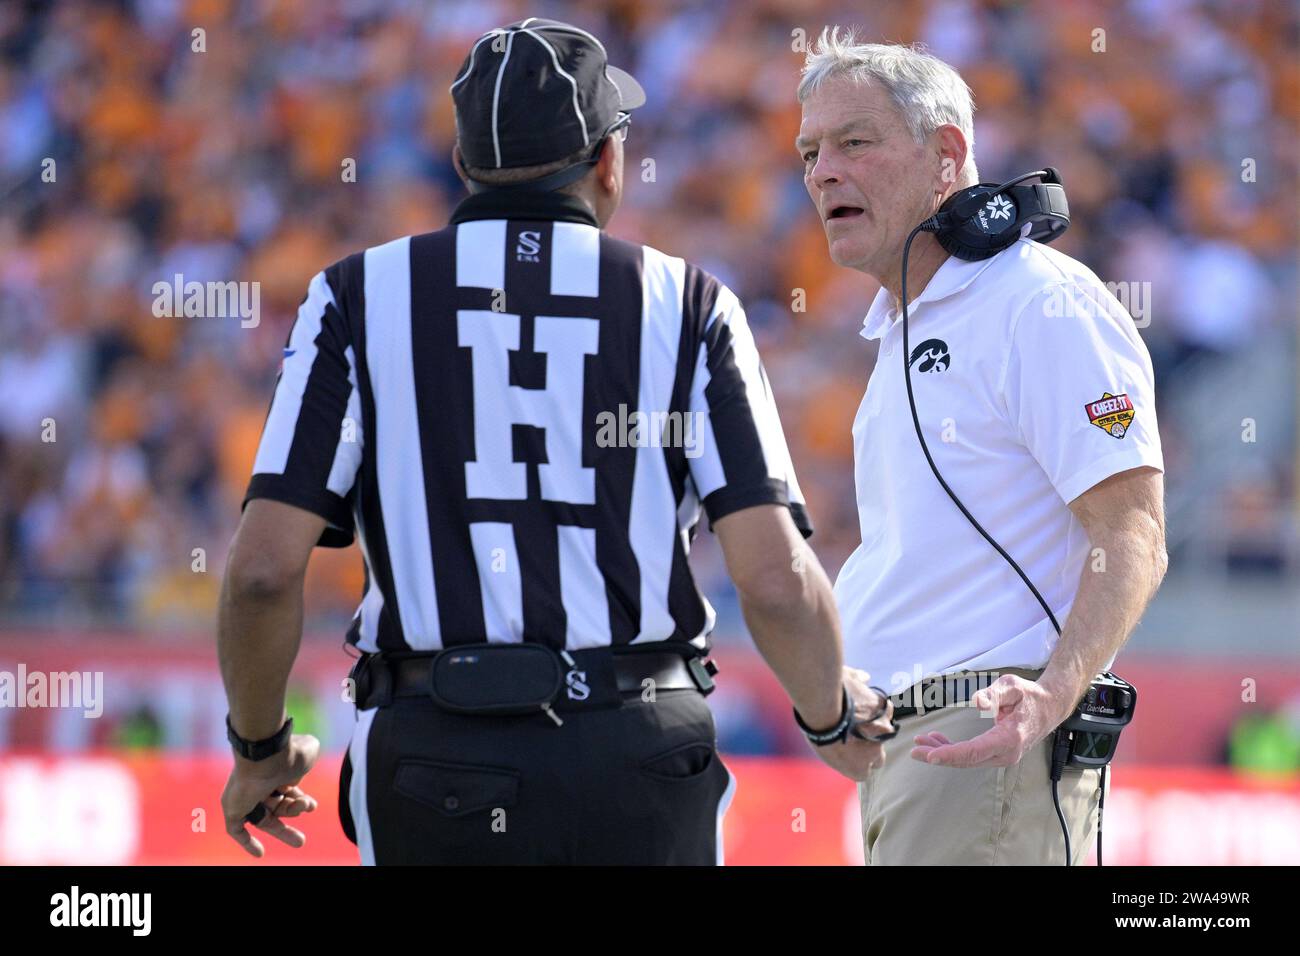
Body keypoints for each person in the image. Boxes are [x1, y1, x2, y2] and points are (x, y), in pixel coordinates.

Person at [216, 17, 892, 866]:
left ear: (463, 167)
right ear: (608, 163)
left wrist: (258, 750)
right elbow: (778, 577)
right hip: (638, 753)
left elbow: (262, 572)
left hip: (436, 752)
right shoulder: (687, 303)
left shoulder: (355, 295)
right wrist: (829, 714)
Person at [794, 28, 1168, 865]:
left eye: (855, 142)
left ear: (947, 155)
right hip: (915, 748)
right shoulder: (904, 326)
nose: (823, 171)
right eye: (810, 151)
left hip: (988, 734)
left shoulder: (1039, 301)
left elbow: (1132, 533)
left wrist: (1054, 694)